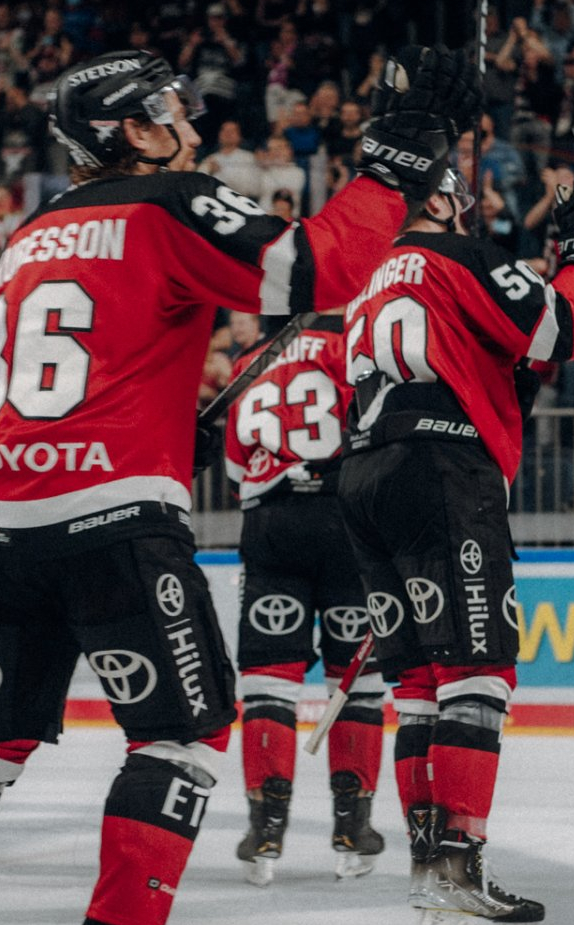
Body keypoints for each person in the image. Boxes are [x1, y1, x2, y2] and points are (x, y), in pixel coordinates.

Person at [0, 46, 475, 925]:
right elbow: (314, 270)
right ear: (125, 130)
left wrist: (168, 428)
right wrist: (391, 164)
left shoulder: (29, 231)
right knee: (181, 735)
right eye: (166, 111)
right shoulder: (171, 200)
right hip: (111, 520)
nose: (187, 126)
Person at [337, 144, 574, 920]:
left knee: (418, 686)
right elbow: (564, 330)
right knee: (477, 673)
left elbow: (479, 363)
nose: (466, 209)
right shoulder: (458, 256)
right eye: (457, 199)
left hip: (365, 479)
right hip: (443, 473)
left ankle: (427, 868)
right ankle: (461, 867)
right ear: (436, 203)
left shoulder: (364, 282)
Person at [222, 312, 385, 886]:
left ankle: (265, 831)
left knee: (268, 681)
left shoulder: (247, 364)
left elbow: (234, 468)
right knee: (356, 683)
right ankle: (352, 829)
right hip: (345, 522)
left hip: (272, 523)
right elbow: (374, 426)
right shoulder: (350, 344)